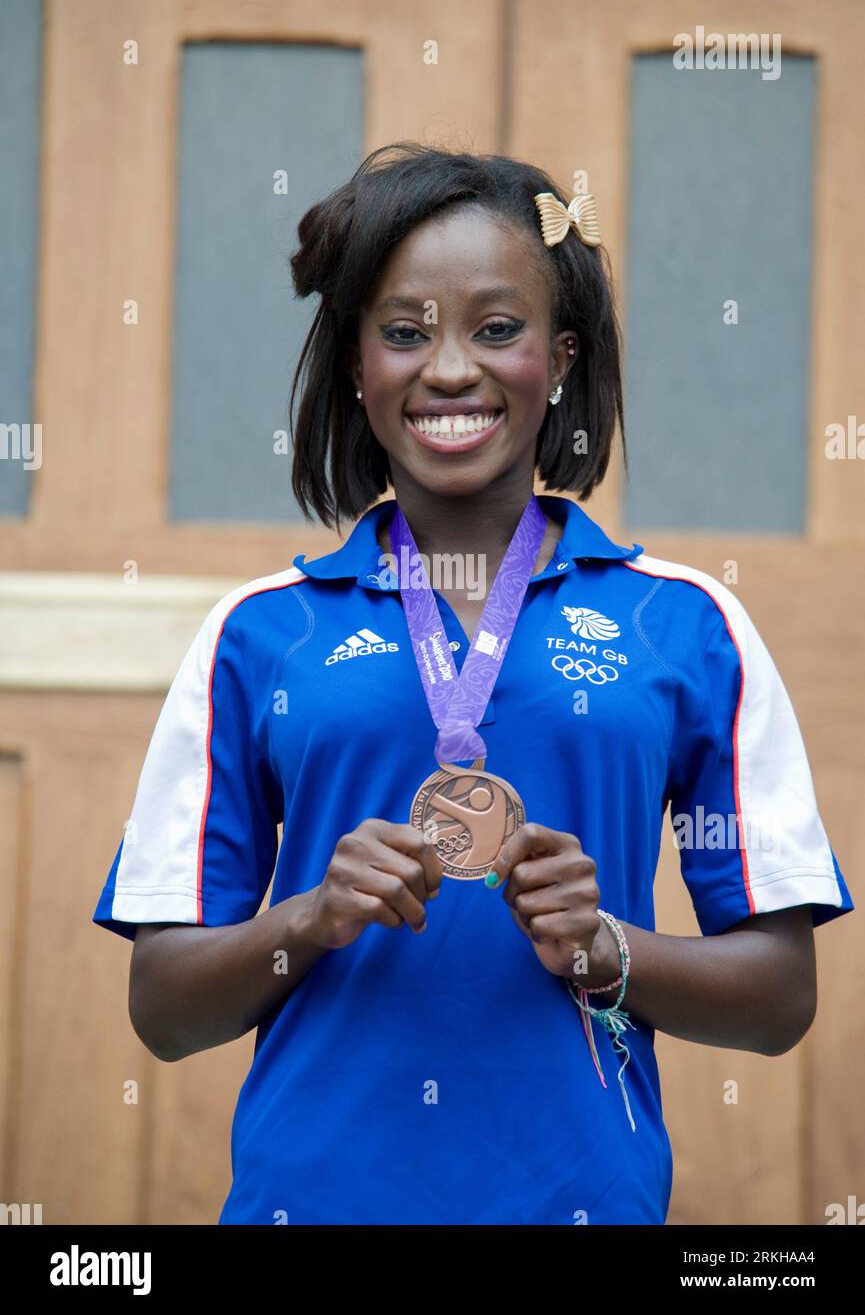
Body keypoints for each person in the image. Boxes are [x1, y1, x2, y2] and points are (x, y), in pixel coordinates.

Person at [92, 142, 854, 1225]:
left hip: (582, 1204)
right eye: (403, 332)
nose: (449, 368)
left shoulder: (686, 626)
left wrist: (609, 948)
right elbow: (163, 1012)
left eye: (497, 328)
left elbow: (778, 999)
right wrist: (309, 916)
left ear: (560, 356)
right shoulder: (257, 636)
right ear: (358, 367)